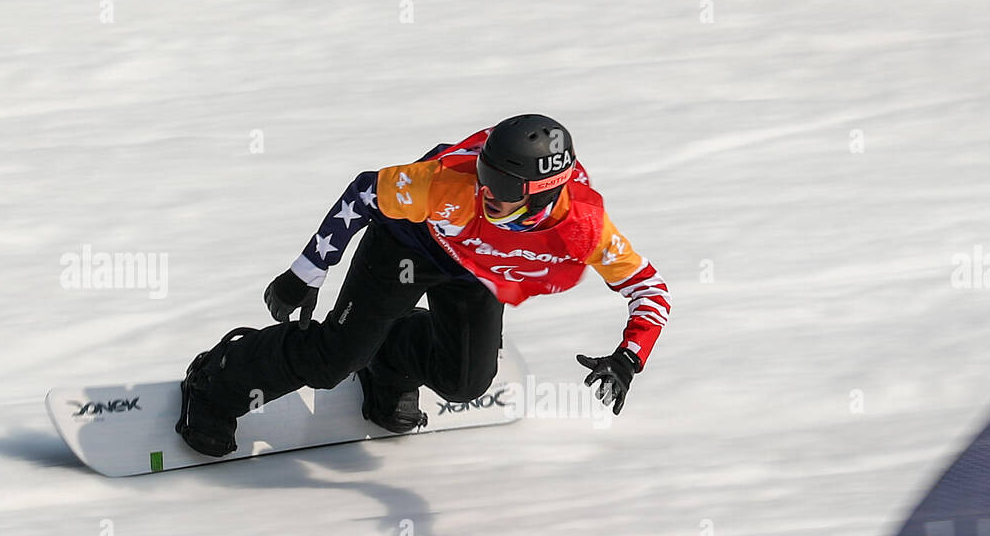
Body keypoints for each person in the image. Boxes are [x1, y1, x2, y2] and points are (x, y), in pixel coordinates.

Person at [175, 114, 672, 457]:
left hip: (476, 270)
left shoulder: (584, 228)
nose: (484, 189)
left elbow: (650, 290)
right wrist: (306, 271)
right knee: (333, 358)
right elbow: (366, 192)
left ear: (542, 195)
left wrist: (629, 357)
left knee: (465, 383)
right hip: (406, 247)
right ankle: (217, 382)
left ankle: (387, 363)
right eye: (484, 172)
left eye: (500, 187)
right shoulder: (447, 183)